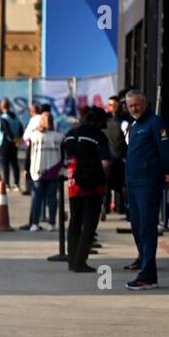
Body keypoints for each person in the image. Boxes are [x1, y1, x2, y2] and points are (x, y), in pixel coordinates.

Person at [122, 90, 169, 290]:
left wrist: (166, 174)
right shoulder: (134, 126)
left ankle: (147, 275)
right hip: (134, 184)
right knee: (137, 228)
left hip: (148, 184)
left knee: (146, 229)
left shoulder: (155, 123)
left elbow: (167, 153)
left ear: (144, 103)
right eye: (130, 106)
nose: (134, 108)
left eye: (136, 105)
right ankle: (145, 269)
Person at [62, 108, 112, 272]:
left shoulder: (69, 134)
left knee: (75, 221)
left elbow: (64, 159)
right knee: (90, 223)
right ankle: (80, 262)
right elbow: (105, 163)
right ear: (97, 122)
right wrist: (105, 181)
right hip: (93, 185)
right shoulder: (98, 136)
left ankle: (71, 260)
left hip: (73, 184)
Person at [25, 106, 63, 231]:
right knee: (52, 198)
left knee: (37, 198)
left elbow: (28, 154)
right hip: (53, 170)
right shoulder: (59, 137)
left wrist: (26, 169)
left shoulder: (34, 136)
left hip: (37, 170)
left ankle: (35, 223)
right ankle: (52, 223)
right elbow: (62, 155)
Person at [102, 95, 128, 215]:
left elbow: (127, 141)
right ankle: (108, 206)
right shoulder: (107, 121)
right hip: (111, 157)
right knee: (110, 184)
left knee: (118, 184)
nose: (109, 107)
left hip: (117, 157)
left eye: (112, 104)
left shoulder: (123, 122)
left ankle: (117, 207)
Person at [0, 99, 24, 191]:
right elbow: (21, 129)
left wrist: (11, 138)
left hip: (6, 143)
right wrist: (17, 139)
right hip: (15, 143)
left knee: (5, 164)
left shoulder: (4, 118)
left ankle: (7, 184)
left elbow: (6, 130)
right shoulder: (15, 117)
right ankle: (17, 184)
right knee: (14, 163)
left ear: (2, 107)